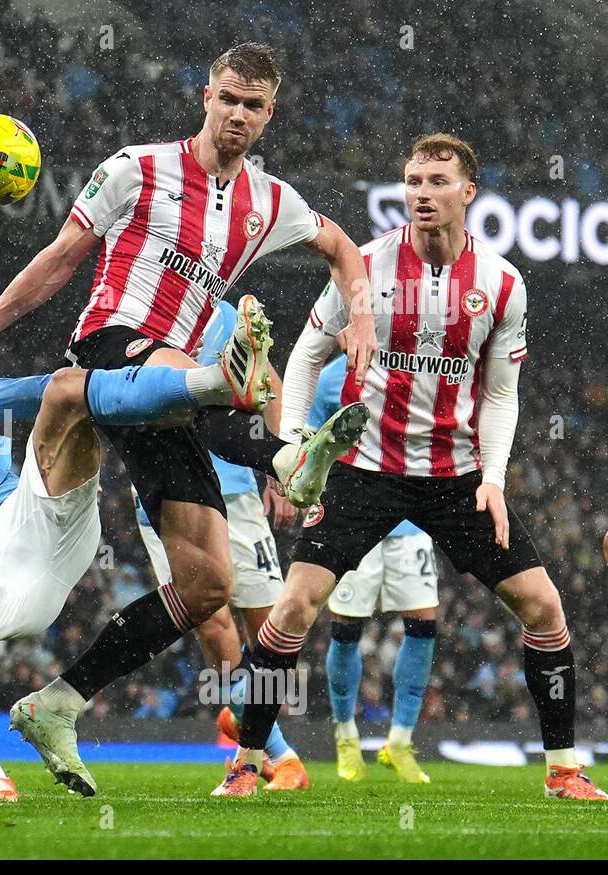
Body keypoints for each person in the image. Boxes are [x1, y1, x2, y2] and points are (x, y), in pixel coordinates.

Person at [0, 43, 377, 792]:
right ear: (205, 95)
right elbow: (63, 256)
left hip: (173, 395)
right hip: (112, 348)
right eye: (227, 97)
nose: (237, 114)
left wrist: (358, 317)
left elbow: (344, 249)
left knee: (206, 587)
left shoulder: (271, 202)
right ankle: (283, 452)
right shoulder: (136, 166)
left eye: (253, 105)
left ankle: (57, 703)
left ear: (269, 115)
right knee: (212, 379)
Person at [0, 296, 355, 803]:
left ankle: (218, 386)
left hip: (35, 518)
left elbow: (38, 392)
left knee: (70, 388)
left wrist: (128, 388)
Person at [212, 133, 606, 800]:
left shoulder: (503, 283)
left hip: (455, 477)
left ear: (467, 192)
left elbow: (503, 393)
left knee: (543, 605)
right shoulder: (362, 268)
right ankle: (248, 763)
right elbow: (306, 355)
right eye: (413, 179)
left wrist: (493, 478)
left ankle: (563, 769)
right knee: (295, 605)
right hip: (365, 471)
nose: (421, 192)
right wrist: (302, 449)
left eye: (436, 181)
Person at [310, 353, 441, 784]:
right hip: (354, 517)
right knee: (347, 626)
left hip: (412, 516)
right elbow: (310, 438)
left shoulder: (411, 363)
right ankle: (345, 737)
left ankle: (399, 741)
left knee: (423, 622)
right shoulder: (330, 377)